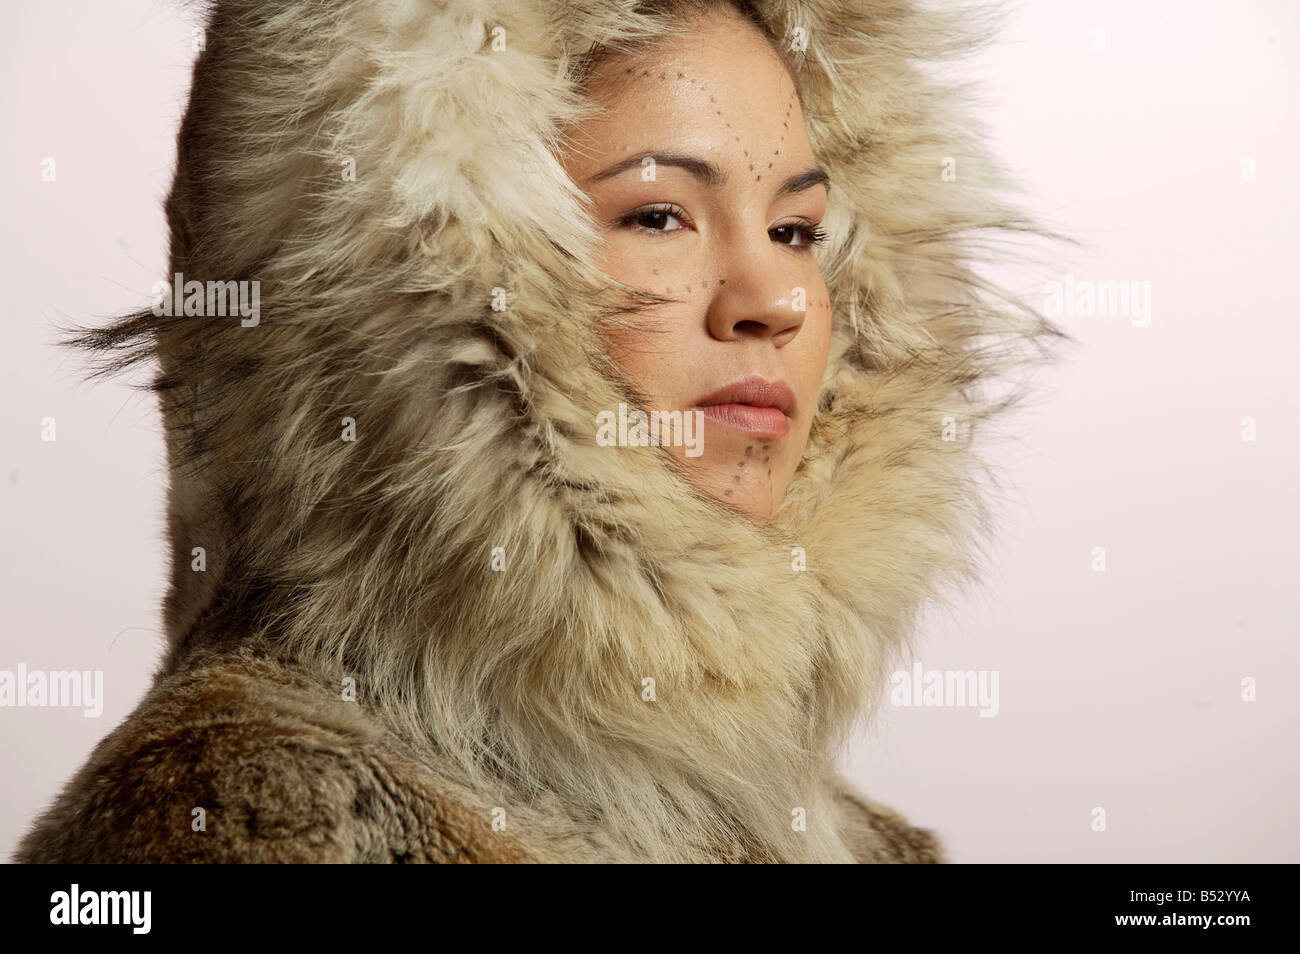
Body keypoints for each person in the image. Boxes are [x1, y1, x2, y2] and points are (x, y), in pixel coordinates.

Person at [15, 0, 1062, 863]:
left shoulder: (863, 851)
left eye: (796, 230)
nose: (776, 298)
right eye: (658, 215)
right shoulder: (251, 822)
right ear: (418, 287)